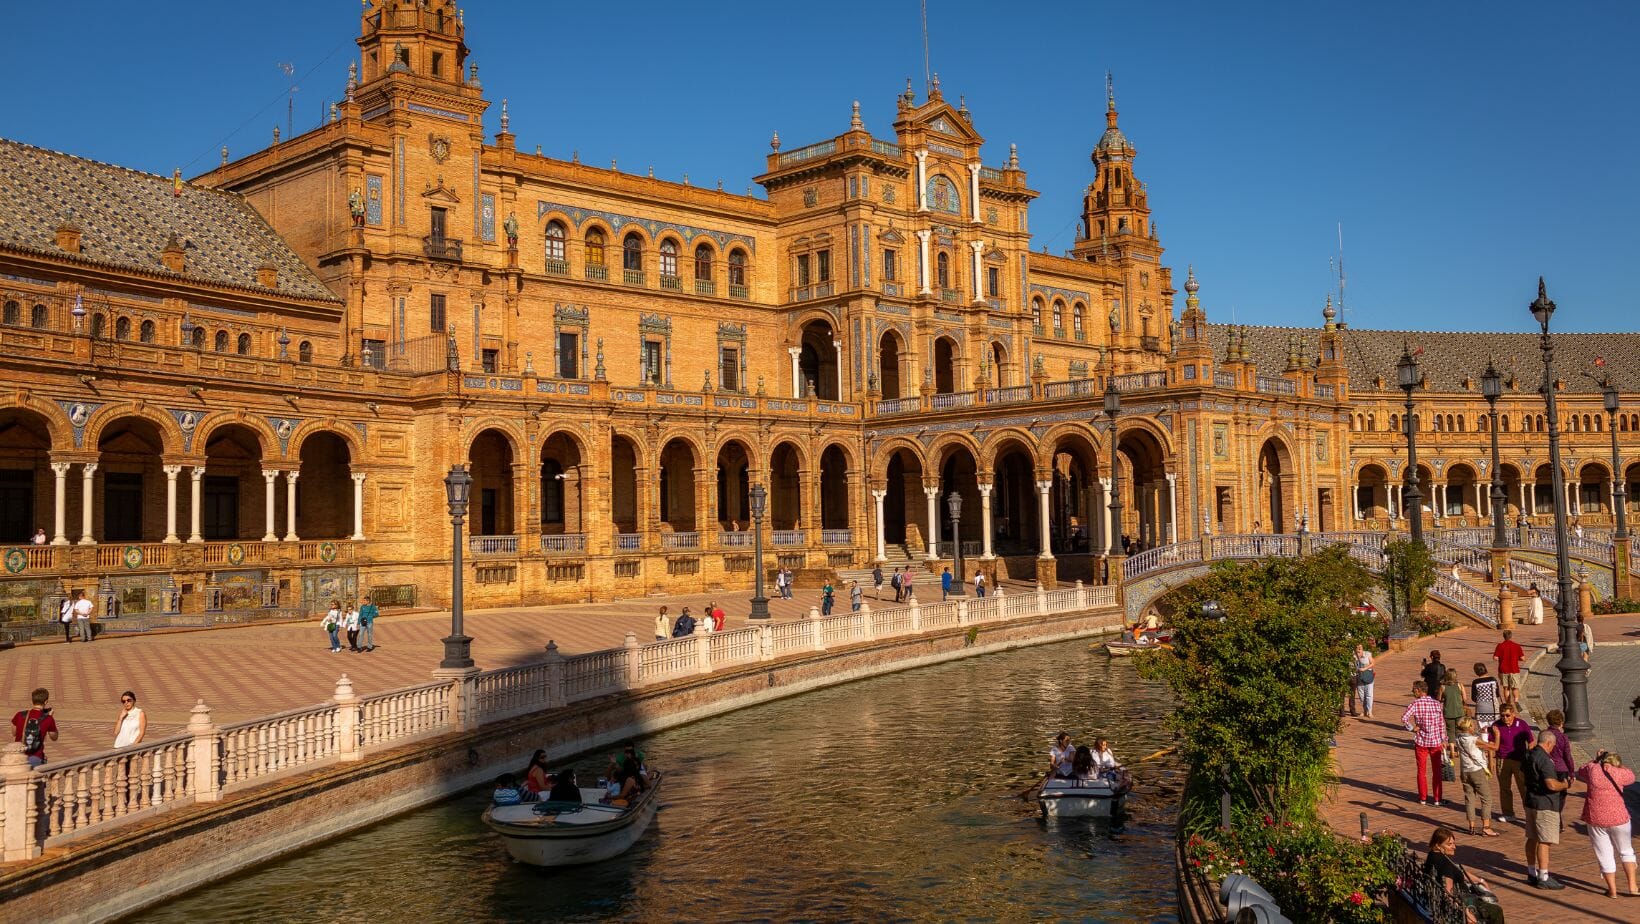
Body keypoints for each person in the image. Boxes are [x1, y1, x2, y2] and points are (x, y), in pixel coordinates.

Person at [1575, 750, 1638, 898]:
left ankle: (1613, 891)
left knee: (1604, 853)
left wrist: (1596, 760)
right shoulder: (1620, 773)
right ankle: (1633, 887)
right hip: (1619, 818)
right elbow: (1632, 776)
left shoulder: (1593, 769)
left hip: (1596, 818)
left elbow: (1581, 770)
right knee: (1626, 850)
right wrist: (1618, 766)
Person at [1523, 729, 1571, 889]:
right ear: (1548, 743)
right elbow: (1551, 784)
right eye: (1552, 746)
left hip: (1531, 801)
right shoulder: (1544, 759)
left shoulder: (1529, 754)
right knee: (1545, 840)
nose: (1552, 749)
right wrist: (1565, 784)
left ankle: (1531, 872)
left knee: (1532, 837)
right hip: (1545, 803)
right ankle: (1543, 876)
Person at [1424, 827, 1498, 922]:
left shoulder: (1433, 855)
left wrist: (1481, 880)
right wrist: (1465, 912)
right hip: (1466, 900)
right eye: (1449, 844)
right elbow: (1448, 892)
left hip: (1453, 895)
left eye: (1454, 843)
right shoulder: (1446, 864)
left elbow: (1459, 871)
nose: (1454, 847)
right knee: (1496, 911)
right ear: (1438, 845)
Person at [1402, 680, 1447, 805]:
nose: (1413, 693)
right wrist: (1444, 739)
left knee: (1421, 771)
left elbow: (1404, 718)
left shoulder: (1415, 704)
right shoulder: (1436, 704)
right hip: (1436, 741)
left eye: (1413, 690)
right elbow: (1441, 723)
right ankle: (1437, 798)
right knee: (1437, 771)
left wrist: (1412, 728)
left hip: (1421, 740)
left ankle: (1423, 797)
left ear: (1418, 690)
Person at [1491, 703, 1534, 823]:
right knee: (1504, 788)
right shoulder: (1496, 726)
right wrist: (1491, 762)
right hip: (1502, 759)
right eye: (1502, 715)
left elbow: (1531, 741)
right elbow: (1491, 744)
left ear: (1513, 714)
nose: (1505, 718)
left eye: (1508, 715)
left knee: (1524, 788)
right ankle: (1508, 813)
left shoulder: (1522, 724)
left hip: (1519, 760)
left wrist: (1530, 757)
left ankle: (1529, 814)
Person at [1453, 717, 1497, 837]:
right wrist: (1496, 735)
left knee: (1470, 799)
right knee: (1486, 798)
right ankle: (1486, 827)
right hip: (1476, 771)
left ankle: (1471, 827)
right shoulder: (1473, 739)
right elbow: (1494, 747)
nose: (1474, 727)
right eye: (1472, 725)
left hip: (1465, 771)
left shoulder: (1458, 738)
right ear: (1468, 727)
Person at [12, 688, 58, 768]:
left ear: (32, 700)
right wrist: (50, 717)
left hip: (18, 755)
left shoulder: (19, 715)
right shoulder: (48, 718)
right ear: (46, 701)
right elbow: (54, 737)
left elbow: (14, 733)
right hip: (35, 757)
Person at [1493, 630, 1524, 709]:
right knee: (1515, 687)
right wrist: (1516, 658)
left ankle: (1508, 703)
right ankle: (1516, 701)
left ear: (1503, 636)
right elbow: (1523, 658)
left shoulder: (1500, 646)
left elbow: (1495, 658)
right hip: (1514, 669)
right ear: (1511, 636)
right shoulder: (1517, 646)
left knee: (1506, 687)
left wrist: (1502, 657)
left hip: (1503, 669)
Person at [1440, 672, 1467, 761]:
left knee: (1450, 731)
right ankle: (1458, 750)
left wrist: (1445, 698)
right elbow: (1465, 698)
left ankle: (1451, 750)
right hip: (1459, 711)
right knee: (1459, 730)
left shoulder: (1443, 687)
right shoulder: (1460, 685)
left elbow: (1439, 699)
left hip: (1448, 712)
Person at [1543, 709, 1573, 778]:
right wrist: (1571, 772)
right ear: (1561, 722)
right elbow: (1567, 756)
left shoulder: (1544, 735)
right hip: (1560, 768)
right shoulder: (1563, 737)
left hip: (1547, 767)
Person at [1470, 663, 1499, 730]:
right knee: (1494, 729)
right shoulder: (1493, 679)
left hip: (1481, 708)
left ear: (1476, 671)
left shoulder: (1475, 682)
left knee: (1483, 730)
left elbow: (1473, 698)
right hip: (1494, 708)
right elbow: (1497, 694)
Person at [1351, 644, 1377, 718]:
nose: (1359, 649)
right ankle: (1365, 710)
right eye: (1357, 648)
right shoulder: (1354, 656)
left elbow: (1373, 663)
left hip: (1368, 676)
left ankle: (1370, 711)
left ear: (1362, 648)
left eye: (1360, 648)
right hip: (1359, 678)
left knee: (1369, 695)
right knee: (1361, 696)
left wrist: (1364, 668)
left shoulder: (1367, 654)